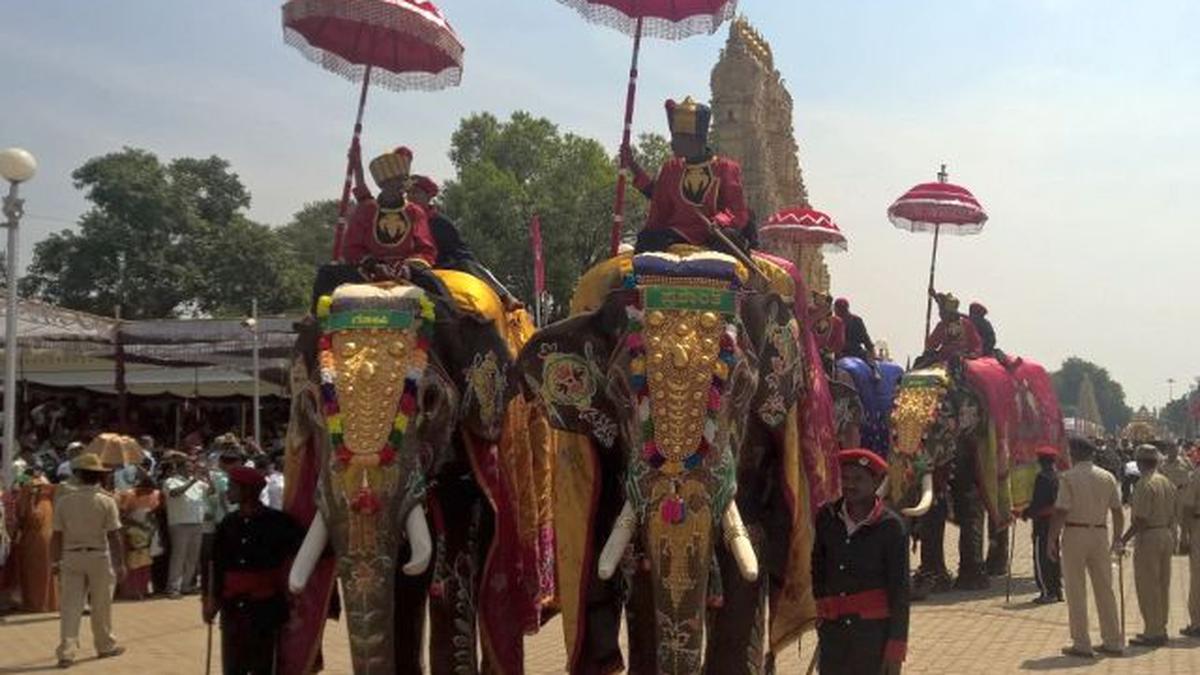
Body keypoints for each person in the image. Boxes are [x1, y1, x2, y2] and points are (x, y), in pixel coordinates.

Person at [812, 449, 908, 674]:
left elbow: (900, 592)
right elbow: (817, 568)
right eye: (845, 478)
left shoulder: (891, 527)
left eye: (858, 479)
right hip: (834, 637)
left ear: (876, 482)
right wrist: (823, 616)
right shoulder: (827, 518)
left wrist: (896, 649)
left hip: (873, 639)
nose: (850, 485)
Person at [203, 466, 304, 675]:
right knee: (233, 665)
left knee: (262, 664)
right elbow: (215, 564)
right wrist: (210, 598)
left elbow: (303, 551)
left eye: (232, 486)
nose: (228, 491)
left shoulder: (278, 522)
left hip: (265, 607)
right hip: (232, 607)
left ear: (247, 491)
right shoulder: (227, 523)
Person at [624, 97, 749, 253]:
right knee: (647, 239)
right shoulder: (671, 168)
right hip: (676, 234)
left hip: (714, 233)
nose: (672, 143)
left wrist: (720, 222)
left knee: (730, 240)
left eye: (678, 138)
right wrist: (633, 166)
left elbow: (737, 211)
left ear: (697, 140)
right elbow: (659, 207)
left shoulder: (727, 168)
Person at [1048, 437, 1125, 658]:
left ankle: (1082, 643)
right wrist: (1118, 538)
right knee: (1105, 589)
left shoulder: (1068, 477)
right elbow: (1118, 511)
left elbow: (1061, 510)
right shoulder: (1107, 477)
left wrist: (1051, 539)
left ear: (1074, 453)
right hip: (1100, 533)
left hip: (1074, 533)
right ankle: (1113, 641)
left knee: (1076, 590)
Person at [51, 452, 125, 668]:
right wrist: (120, 563)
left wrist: (54, 562)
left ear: (78, 475)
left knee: (70, 607)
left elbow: (56, 535)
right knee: (101, 605)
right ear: (99, 476)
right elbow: (114, 535)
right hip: (99, 556)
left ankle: (66, 652)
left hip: (71, 556)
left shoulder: (64, 501)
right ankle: (105, 646)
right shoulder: (106, 501)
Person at [406, 174, 522, 310]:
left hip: (440, 267)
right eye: (409, 193)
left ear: (428, 196)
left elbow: (459, 251)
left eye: (416, 192)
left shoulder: (439, 222)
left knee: (467, 263)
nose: (411, 197)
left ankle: (504, 296)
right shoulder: (401, 220)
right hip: (408, 268)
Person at [1119, 444, 1177, 647]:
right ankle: (1160, 627)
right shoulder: (1166, 482)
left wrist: (1123, 539)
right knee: (1163, 584)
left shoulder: (1144, 483)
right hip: (1166, 533)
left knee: (1148, 585)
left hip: (1149, 536)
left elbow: (1140, 520)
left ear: (1140, 462)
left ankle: (1152, 631)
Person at [162, 451, 210, 598]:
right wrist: (193, 481)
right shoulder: (171, 481)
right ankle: (173, 588)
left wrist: (207, 475)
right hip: (179, 522)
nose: (191, 470)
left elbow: (212, 491)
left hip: (197, 522)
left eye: (192, 468)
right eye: (188, 468)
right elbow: (175, 493)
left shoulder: (199, 482)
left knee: (192, 557)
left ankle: (186, 586)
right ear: (180, 468)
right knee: (179, 556)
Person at [1022, 446, 1062, 604]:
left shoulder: (1042, 477)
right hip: (1055, 521)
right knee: (1053, 554)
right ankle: (1056, 589)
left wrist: (1026, 512)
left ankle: (1046, 591)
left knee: (1041, 556)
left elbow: (1038, 503)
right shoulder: (1058, 476)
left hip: (1042, 522)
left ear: (1040, 461)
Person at [115, 469, 161, 600]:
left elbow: (153, 512)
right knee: (133, 562)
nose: (148, 493)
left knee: (145, 562)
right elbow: (123, 515)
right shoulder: (129, 495)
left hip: (147, 530)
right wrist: (137, 524)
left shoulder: (153, 495)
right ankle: (132, 590)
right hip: (131, 530)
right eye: (147, 490)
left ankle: (143, 588)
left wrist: (150, 524)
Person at [16, 471, 58, 612]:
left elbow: (30, 517)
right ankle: (47, 602)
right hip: (46, 538)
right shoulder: (48, 500)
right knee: (46, 572)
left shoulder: (35, 501)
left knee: (36, 573)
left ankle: (37, 604)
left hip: (34, 540)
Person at [921, 291, 982, 368]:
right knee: (920, 361)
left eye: (944, 312)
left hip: (962, 358)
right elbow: (932, 343)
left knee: (956, 362)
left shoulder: (966, 324)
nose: (941, 314)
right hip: (943, 358)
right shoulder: (942, 325)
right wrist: (928, 351)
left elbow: (976, 344)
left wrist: (973, 354)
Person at [1179, 457, 1200, 637]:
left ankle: (1197, 624)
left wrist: (1184, 534)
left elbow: (1187, 506)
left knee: (1198, 578)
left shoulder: (1197, 475)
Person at [1159, 443, 1193, 553]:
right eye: (1170, 448)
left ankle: (1186, 545)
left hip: (1182, 493)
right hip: (1167, 494)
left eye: (1174, 448)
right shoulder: (1162, 462)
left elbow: (1193, 473)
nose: (1173, 451)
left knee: (1184, 521)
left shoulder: (1185, 461)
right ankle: (1172, 547)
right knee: (1170, 521)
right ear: (1167, 450)